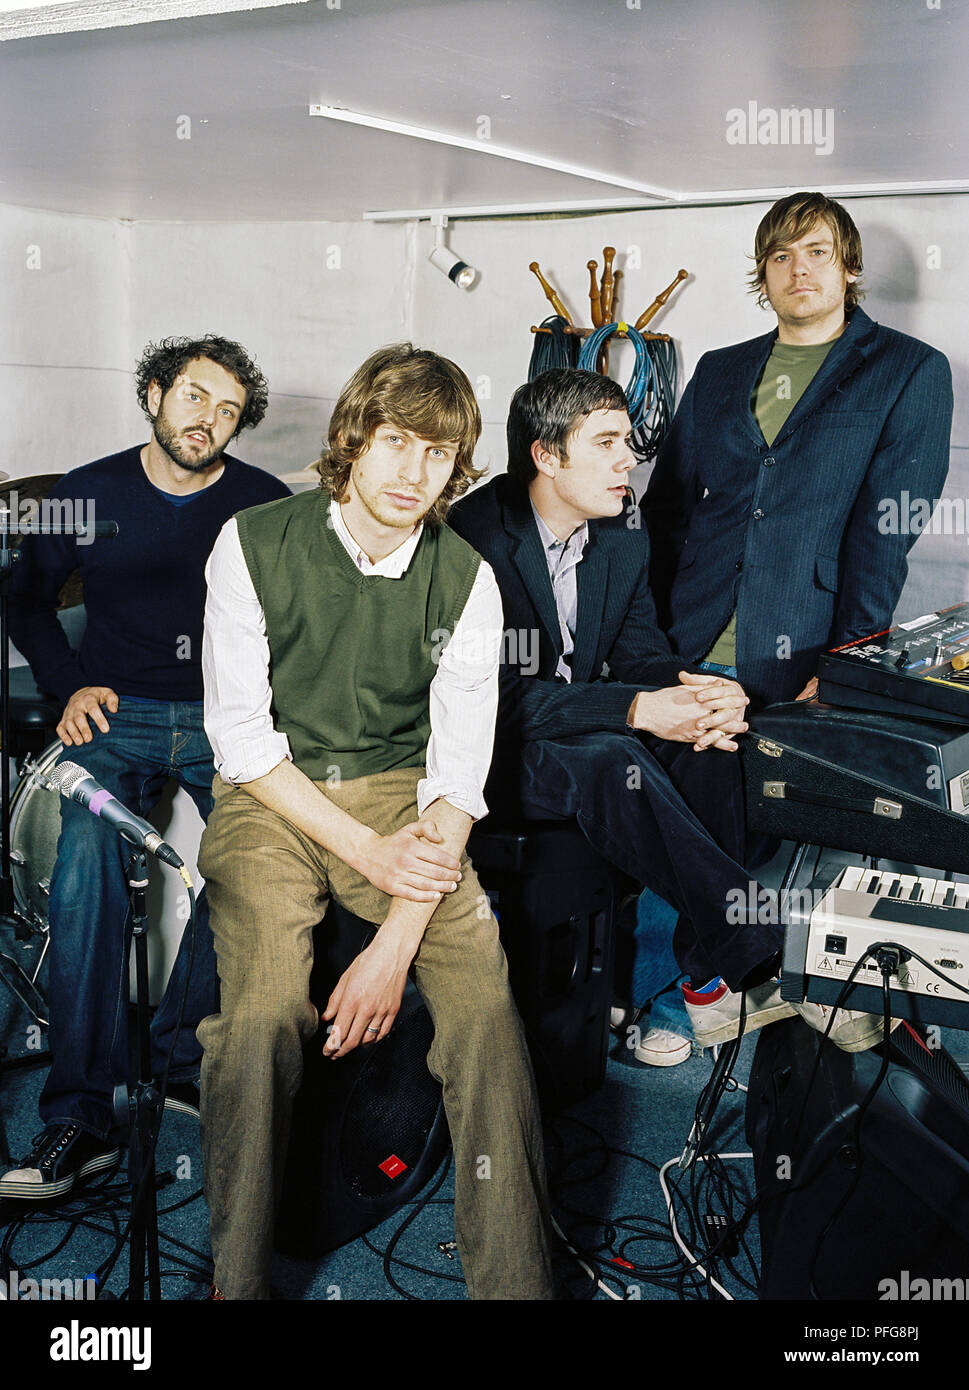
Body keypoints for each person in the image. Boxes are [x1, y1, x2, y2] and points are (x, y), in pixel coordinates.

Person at [197, 342, 554, 1301]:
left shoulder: (468, 578)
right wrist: (363, 852)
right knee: (263, 1015)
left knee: (482, 1007)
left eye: (439, 455)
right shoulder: (251, 540)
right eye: (396, 442)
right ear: (352, 438)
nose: (414, 473)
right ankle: (236, 1282)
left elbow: (457, 771)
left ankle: (516, 1289)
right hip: (271, 796)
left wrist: (397, 941)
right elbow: (239, 739)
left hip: (406, 798)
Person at [448, 368, 888, 1060]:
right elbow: (497, 700)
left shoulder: (621, 535)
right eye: (605, 443)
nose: (629, 458)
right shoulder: (471, 537)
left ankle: (705, 981)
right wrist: (638, 708)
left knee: (716, 744)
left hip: (574, 728)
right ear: (545, 454)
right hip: (485, 746)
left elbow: (639, 653)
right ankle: (764, 956)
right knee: (613, 754)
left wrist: (696, 693)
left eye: (627, 440)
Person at [0, 335, 288, 1201]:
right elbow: (20, 597)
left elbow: (297, 617)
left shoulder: (264, 503)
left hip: (224, 719)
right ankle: (80, 1118)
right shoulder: (85, 491)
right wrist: (65, 685)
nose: (210, 420)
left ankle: (170, 1059)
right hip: (114, 715)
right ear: (156, 394)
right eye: (196, 397)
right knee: (86, 862)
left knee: (253, 864)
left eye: (230, 410)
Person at [643, 190, 953, 707]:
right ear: (764, 275)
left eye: (816, 252)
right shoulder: (717, 370)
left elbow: (885, 534)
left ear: (849, 266)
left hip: (801, 658)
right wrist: (647, 641)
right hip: (684, 648)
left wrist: (849, 663)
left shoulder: (909, 370)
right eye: (781, 256)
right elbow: (665, 514)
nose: (798, 270)